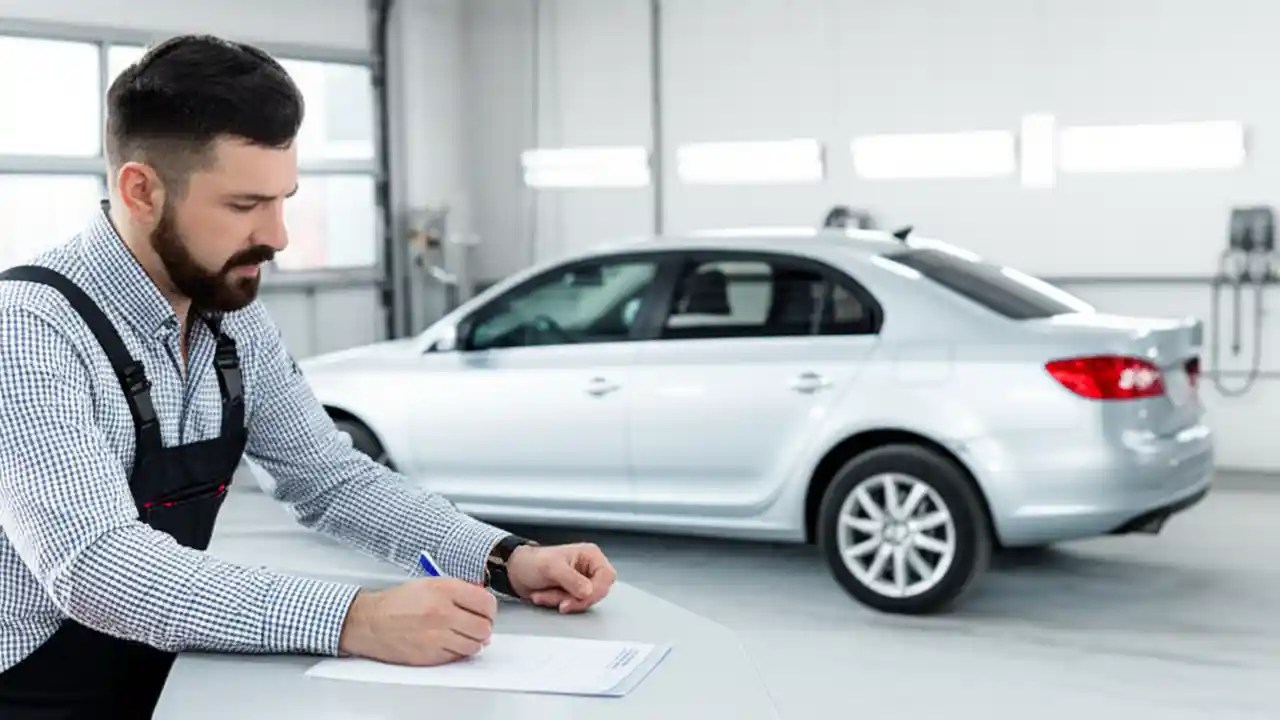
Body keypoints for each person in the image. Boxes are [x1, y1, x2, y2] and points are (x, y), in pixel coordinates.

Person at [0, 34, 616, 719]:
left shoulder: (232, 318)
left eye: (284, 198)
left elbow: (330, 479)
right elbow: (96, 567)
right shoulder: (27, 329)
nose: (280, 235)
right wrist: (356, 618)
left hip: (172, 675)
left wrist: (504, 558)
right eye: (245, 206)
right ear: (140, 190)